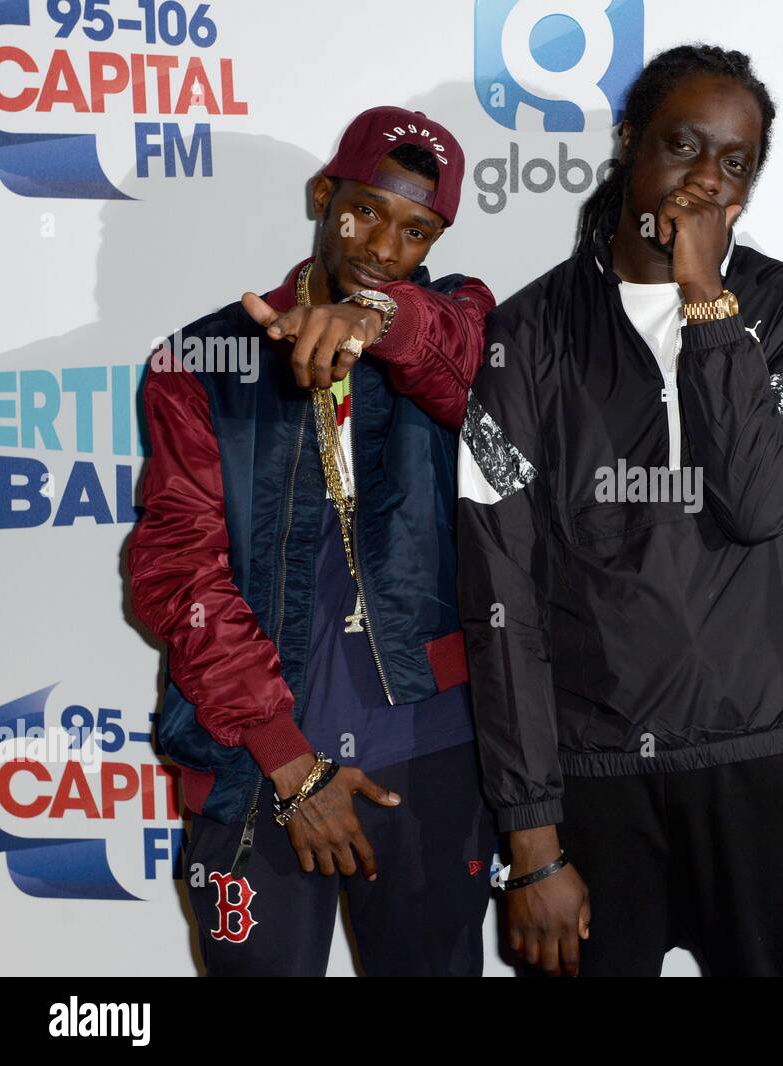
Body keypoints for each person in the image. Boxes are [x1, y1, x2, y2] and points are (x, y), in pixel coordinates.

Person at [457, 45, 783, 977]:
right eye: (682, 145)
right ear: (629, 141)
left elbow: (760, 504)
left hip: (763, 766)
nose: (706, 181)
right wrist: (532, 839)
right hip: (595, 783)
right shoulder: (523, 337)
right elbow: (498, 595)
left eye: (735, 163)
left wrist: (710, 304)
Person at [128, 106, 496, 976]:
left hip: (427, 753)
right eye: (365, 210)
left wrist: (381, 321)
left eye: (416, 230)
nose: (381, 244)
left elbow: (458, 360)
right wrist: (291, 765)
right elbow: (177, 574)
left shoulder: (457, 324)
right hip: (258, 760)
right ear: (323, 195)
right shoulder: (204, 360)